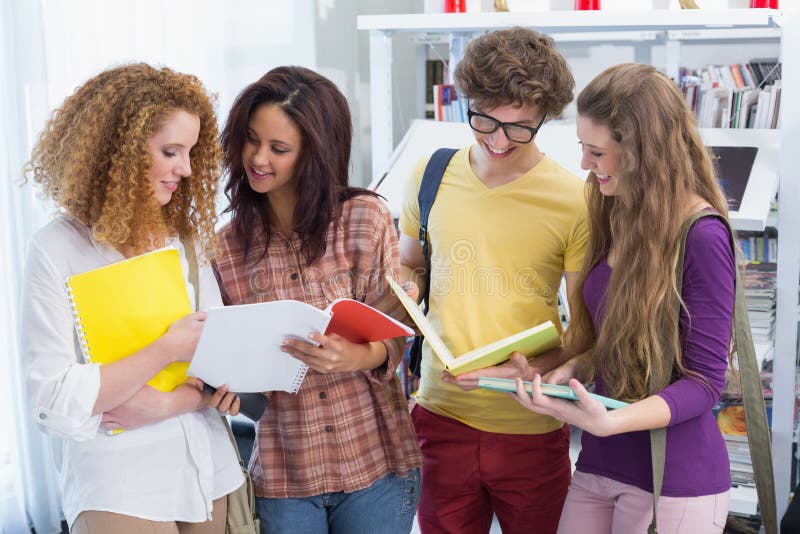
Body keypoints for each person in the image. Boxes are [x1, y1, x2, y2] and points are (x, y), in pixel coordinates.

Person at [505, 63, 734, 533]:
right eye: (582, 148)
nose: (584, 164)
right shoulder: (615, 211)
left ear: (643, 152)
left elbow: (705, 382)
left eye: (597, 152)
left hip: (672, 480)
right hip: (598, 464)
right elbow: (618, 342)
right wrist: (571, 369)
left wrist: (612, 421)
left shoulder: (702, 235)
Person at [22, 63, 244, 533]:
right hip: (121, 483)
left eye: (190, 152)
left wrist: (171, 404)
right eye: (170, 151)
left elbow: (219, 358)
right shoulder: (57, 248)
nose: (186, 169)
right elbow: (52, 399)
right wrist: (167, 348)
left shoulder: (183, 240)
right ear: (118, 152)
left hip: (208, 471)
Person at [213, 65, 423, 534]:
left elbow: (396, 332)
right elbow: (237, 372)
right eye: (251, 140)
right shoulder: (225, 249)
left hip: (377, 466)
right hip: (285, 474)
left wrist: (356, 356)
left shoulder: (365, 218)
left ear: (315, 153)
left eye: (279, 148)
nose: (258, 158)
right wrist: (227, 393)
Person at [398, 27, 589, 533]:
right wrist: (408, 286)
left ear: (545, 116)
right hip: (439, 416)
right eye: (484, 119)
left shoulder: (575, 201)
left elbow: (587, 330)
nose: (499, 140)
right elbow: (411, 265)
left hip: (531, 421)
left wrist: (534, 368)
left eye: (519, 127)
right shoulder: (429, 175)